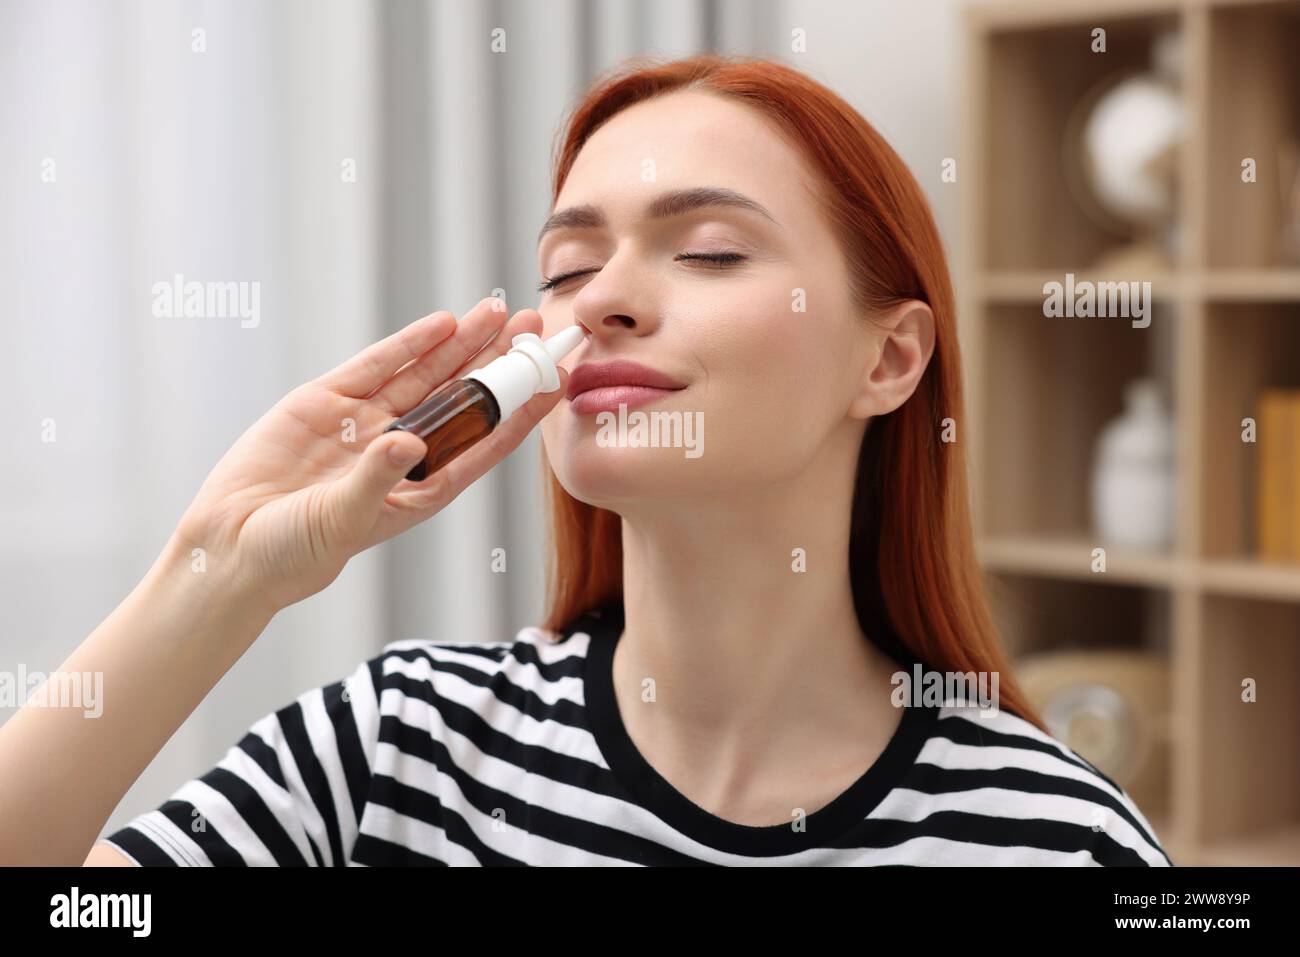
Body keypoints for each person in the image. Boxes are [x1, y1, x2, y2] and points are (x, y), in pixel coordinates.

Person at [1, 54, 1171, 866]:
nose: (600, 299)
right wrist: (222, 568)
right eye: (566, 267)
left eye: (707, 252)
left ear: (889, 359)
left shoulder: (1055, 836)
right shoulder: (398, 750)